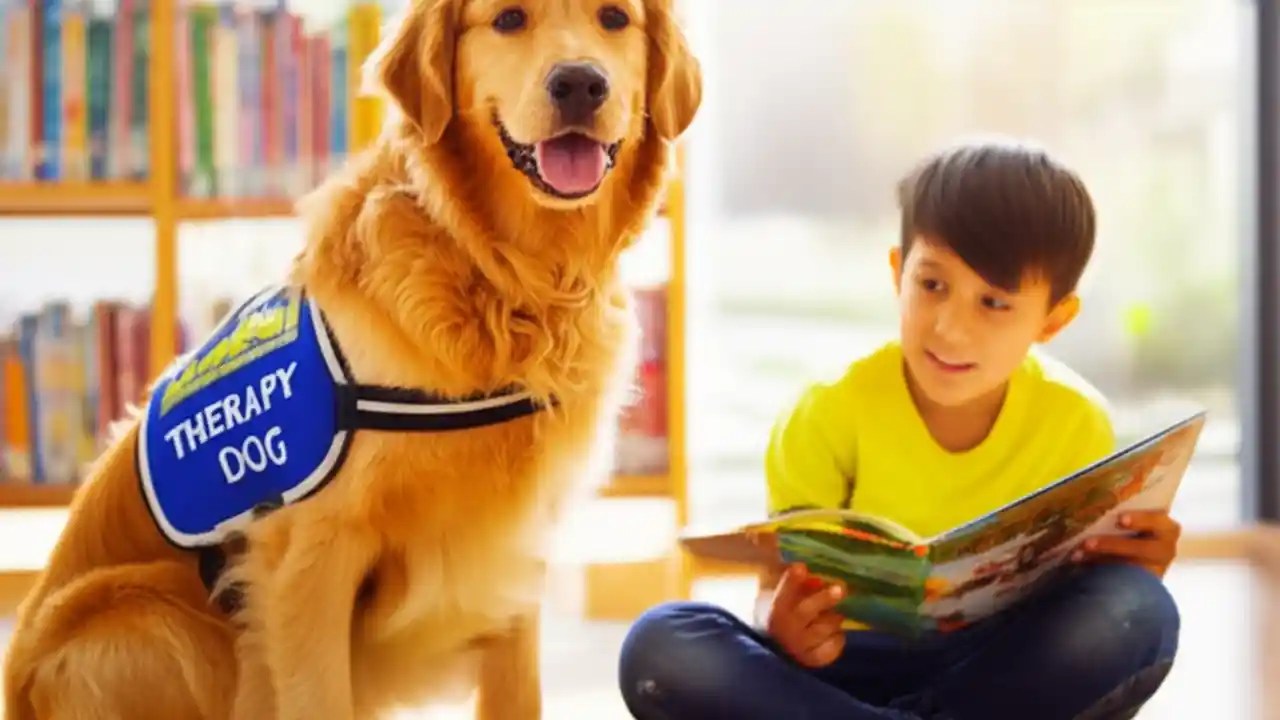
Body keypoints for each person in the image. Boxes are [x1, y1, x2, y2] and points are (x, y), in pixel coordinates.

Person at [617, 139, 1182, 720]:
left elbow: (1073, 603)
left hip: (988, 671)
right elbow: (776, 587)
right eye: (932, 285)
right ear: (898, 272)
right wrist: (784, 623)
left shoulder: (1077, 423)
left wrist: (1129, 566)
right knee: (663, 645)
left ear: (1054, 320)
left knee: (1137, 610)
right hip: (838, 672)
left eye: (993, 302)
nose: (949, 328)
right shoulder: (827, 413)